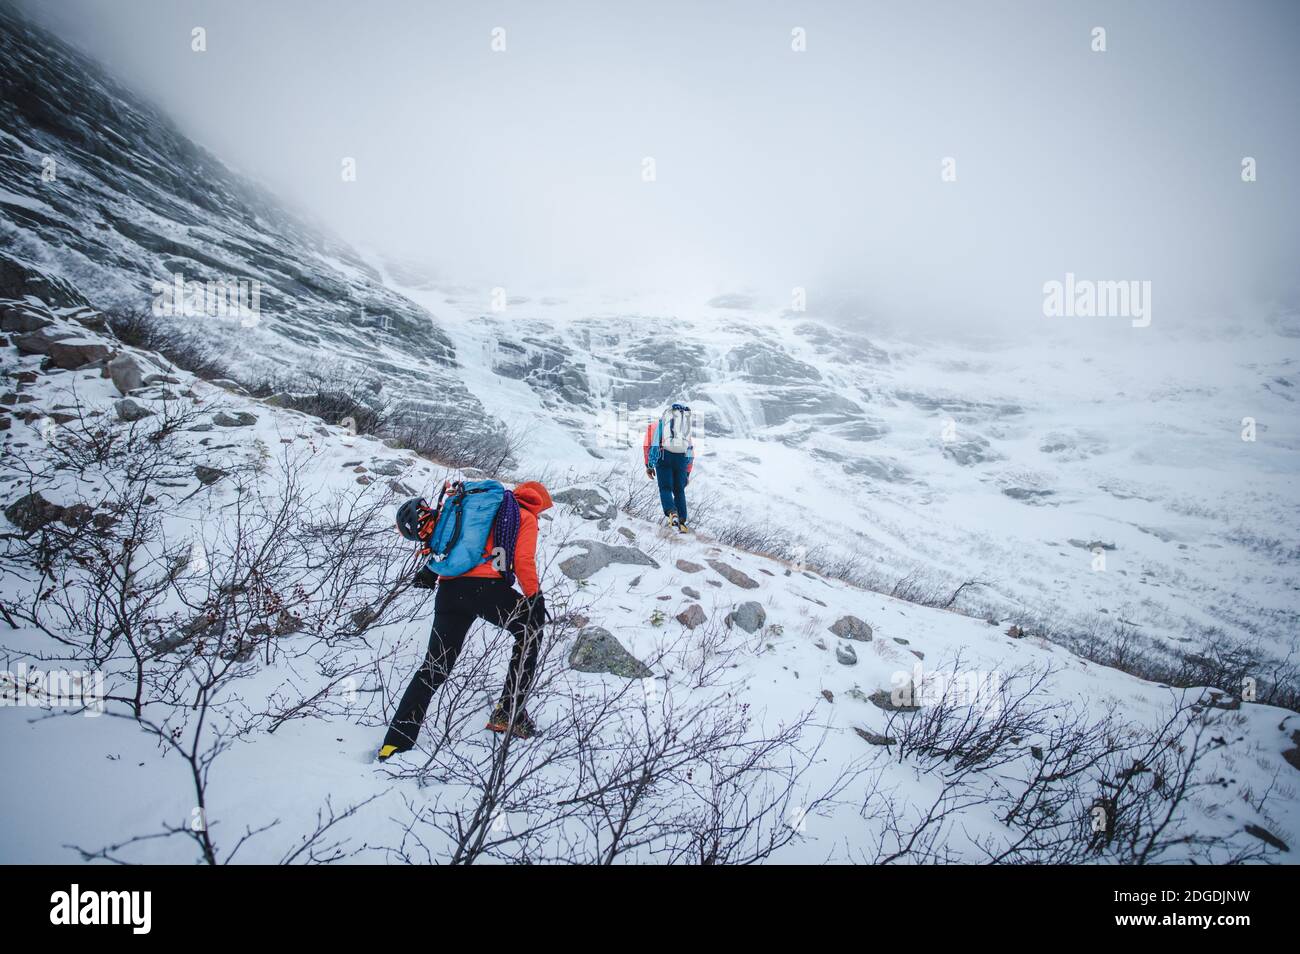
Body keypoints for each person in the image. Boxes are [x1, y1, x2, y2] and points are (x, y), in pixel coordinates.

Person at [378, 481, 553, 761]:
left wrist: (430, 571)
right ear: (538, 502)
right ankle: (510, 712)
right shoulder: (524, 515)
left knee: (434, 667)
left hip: (449, 590)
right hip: (486, 590)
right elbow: (522, 561)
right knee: (531, 630)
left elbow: (453, 544)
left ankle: (395, 742)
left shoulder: (479, 506)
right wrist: (535, 598)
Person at [644, 402, 694, 533]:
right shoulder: (683, 428)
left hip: (663, 456)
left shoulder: (655, 425)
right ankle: (682, 522)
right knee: (679, 490)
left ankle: (672, 513)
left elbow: (647, 446)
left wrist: (649, 466)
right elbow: (690, 450)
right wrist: (687, 473)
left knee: (665, 488)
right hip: (681, 458)